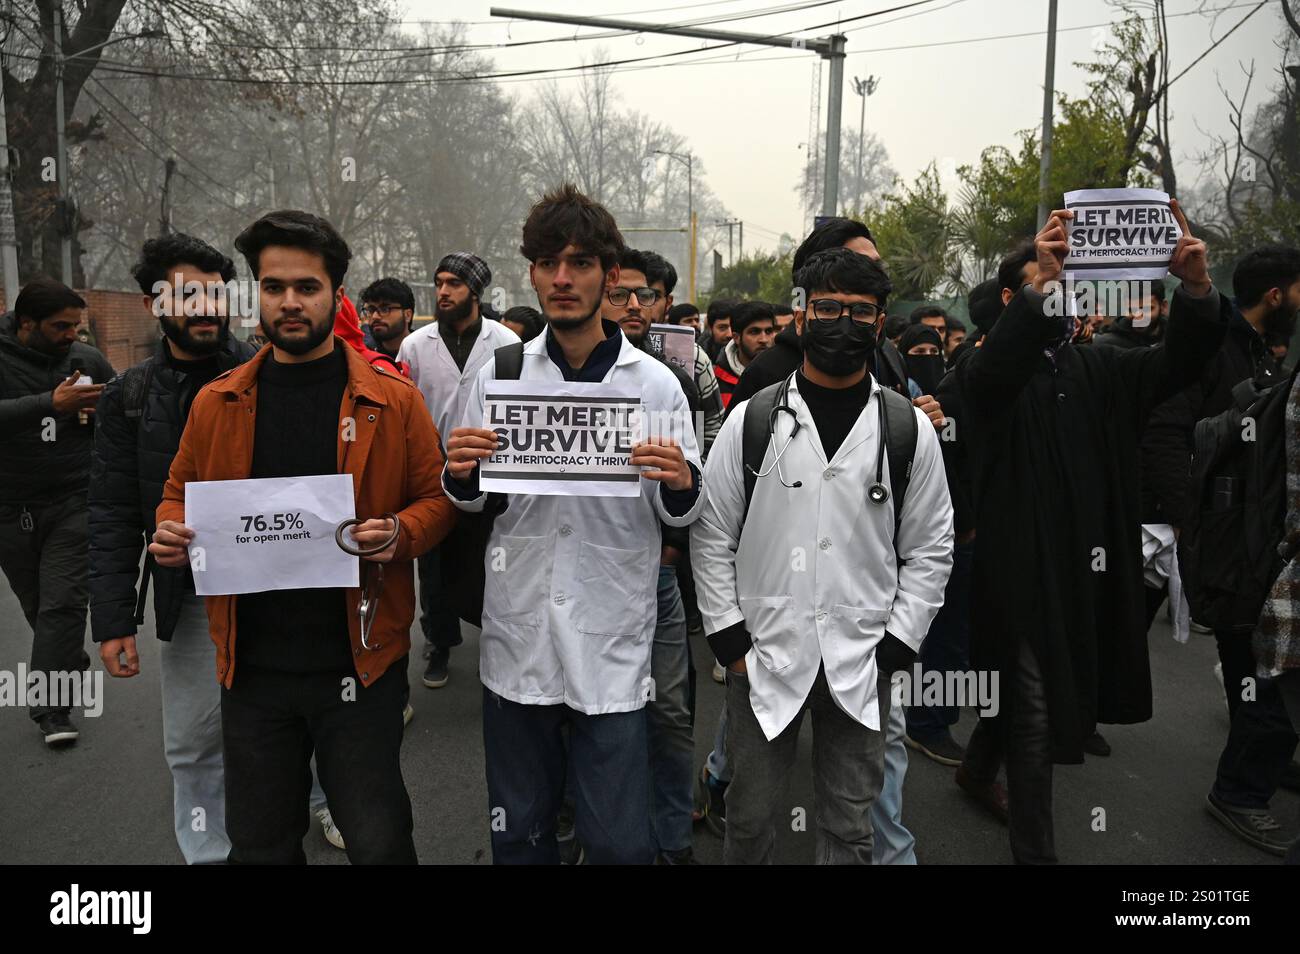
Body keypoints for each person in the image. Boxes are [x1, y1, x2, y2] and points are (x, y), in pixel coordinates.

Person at [150, 210, 456, 864]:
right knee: (261, 844)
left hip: (361, 664)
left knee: (378, 840)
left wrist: (399, 533)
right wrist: (170, 529)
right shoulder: (219, 400)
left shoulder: (392, 399)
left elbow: (438, 501)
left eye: (307, 287)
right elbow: (179, 488)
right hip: (252, 671)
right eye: (273, 286)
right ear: (255, 294)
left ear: (335, 295)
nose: (289, 302)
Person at [953, 201, 1229, 864]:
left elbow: (1180, 363)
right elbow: (987, 385)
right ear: (1012, 297)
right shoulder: (979, 370)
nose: (1061, 296)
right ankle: (1036, 853)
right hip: (1015, 571)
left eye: (1068, 285)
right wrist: (1039, 288)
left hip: (1085, 568)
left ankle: (974, 767)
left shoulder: (1100, 368)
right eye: (1047, 283)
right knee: (1037, 708)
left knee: (1032, 695)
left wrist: (1193, 289)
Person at [441, 183, 705, 865]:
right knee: (521, 832)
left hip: (612, 638)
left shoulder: (654, 385)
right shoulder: (498, 375)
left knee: (617, 840)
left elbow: (687, 509)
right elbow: (470, 501)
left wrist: (679, 481)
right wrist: (462, 472)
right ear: (530, 271)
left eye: (582, 263)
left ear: (610, 277)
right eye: (549, 263)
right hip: (518, 634)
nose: (563, 278)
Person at [692, 247, 954, 864]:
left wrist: (898, 643)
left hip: (864, 657)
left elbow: (931, 545)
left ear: (881, 323)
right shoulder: (752, 420)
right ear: (800, 316)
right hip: (763, 653)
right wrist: (730, 643)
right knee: (750, 821)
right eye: (828, 306)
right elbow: (712, 534)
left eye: (861, 311)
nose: (843, 322)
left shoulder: (906, 429)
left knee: (850, 823)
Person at [89, 233, 258, 863]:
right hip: (189, 597)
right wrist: (111, 620)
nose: (205, 307)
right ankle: (208, 848)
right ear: (153, 304)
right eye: (186, 294)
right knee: (192, 738)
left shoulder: (273, 373)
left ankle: (321, 807)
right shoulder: (127, 397)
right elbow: (107, 511)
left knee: (303, 721)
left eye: (215, 292)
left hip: (283, 586)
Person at [1145, 244, 1300, 855]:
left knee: (1263, 675)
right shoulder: (1213, 344)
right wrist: (1190, 523)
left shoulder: (1262, 352)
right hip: (1230, 543)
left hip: (1254, 541)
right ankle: (1238, 791)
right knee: (1260, 675)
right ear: (1276, 294)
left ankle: (1258, 761)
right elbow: (1163, 431)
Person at [602, 247, 701, 863]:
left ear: (662, 301)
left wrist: (672, 545)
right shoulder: (545, 380)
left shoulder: (677, 381)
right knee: (584, 713)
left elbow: (699, 482)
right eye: (621, 294)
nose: (633, 305)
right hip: (583, 572)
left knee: (667, 711)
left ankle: (672, 834)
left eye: (646, 295)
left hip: (658, 572)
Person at [398, 252, 520, 690]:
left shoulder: (506, 343)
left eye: (454, 283)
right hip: (433, 473)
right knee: (434, 567)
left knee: (491, 562)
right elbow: (405, 410)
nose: (444, 292)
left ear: (475, 290)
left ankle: (500, 640)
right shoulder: (415, 345)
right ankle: (441, 643)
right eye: (440, 283)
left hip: (491, 472)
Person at [0, 278, 114, 746]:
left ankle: (52, 710)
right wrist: (51, 403)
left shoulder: (85, 361)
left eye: (76, 326)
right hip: (9, 507)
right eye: (60, 327)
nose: (72, 335)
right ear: (26, 324)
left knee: (62, 602)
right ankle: (66, 660)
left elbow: (123, 410)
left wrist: (104, 408)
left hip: (74, 499)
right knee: (39, 606)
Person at [715, 301, 775, 411]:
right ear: (736, 337)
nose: (764, 339)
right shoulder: (715, 380)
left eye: (768, 331)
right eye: (754, 332)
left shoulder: (785, 375)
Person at [1092, 281, 1167, 352]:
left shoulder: (1175, 339)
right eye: (1131, 310)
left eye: (1146, 309)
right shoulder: (1106, 345)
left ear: (1163, 306)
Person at [358, 277, 415, 364]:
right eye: (371, 310)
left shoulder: (426, 353)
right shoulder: (364, 358)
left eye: (385, 309)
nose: (375, 316)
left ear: (407, 315)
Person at [898, 323, 946, 399]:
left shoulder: (948, 388)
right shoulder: (897, 389)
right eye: (920, 351)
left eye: (934, 351)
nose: (928, 356)